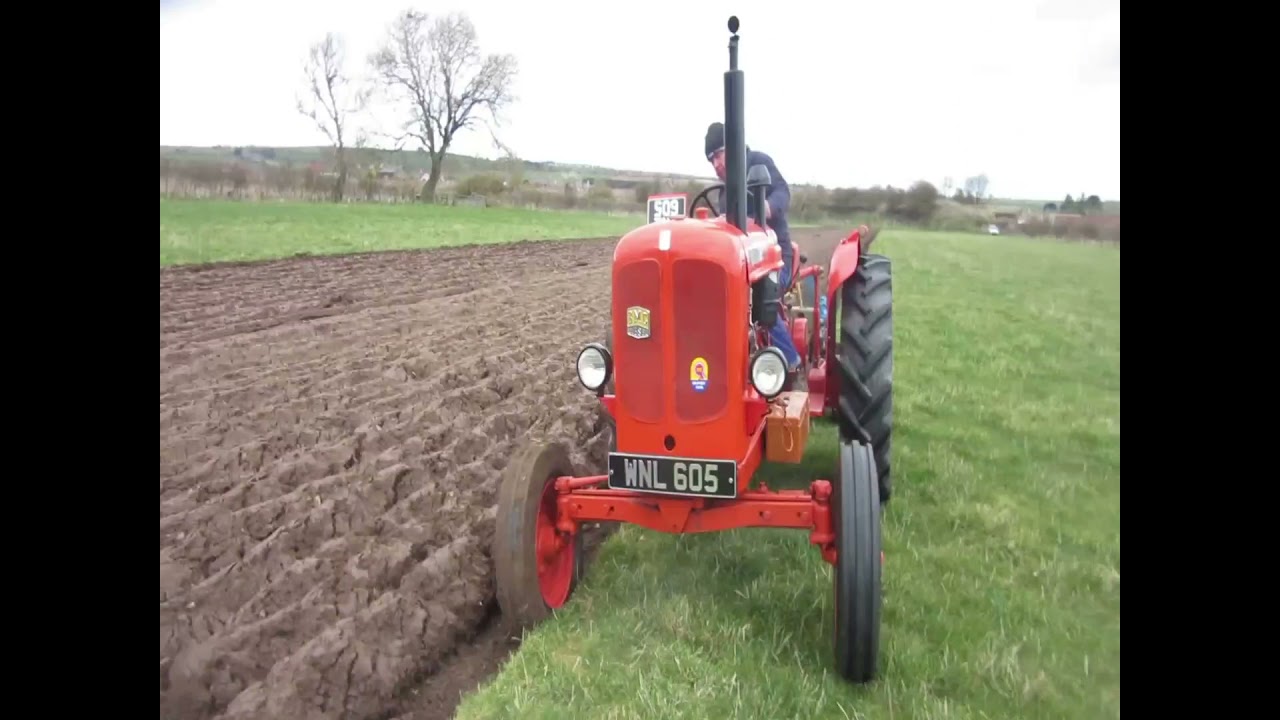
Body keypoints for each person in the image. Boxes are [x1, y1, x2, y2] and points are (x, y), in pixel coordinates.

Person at [704, 121, 801, 372]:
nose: (715, 164)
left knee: (759, 301)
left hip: (774, 256)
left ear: (733, 146)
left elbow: (782, 192)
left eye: (718, 155)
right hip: (740, 264)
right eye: (710, 160)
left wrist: (767, 207)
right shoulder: (724, 195)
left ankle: (791, 366)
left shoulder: (759, 162)